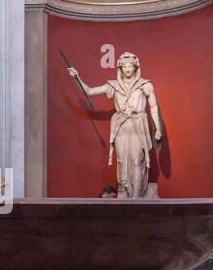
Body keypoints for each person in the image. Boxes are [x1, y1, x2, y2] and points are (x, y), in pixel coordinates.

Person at [68, 52, 163, 199]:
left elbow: (154, 107)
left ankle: (137, 196)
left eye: (130, 66)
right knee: (121, 161)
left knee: (137, 160)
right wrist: (76, 77)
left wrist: (157, 128)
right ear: (120, 68)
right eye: (124, 66)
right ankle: (123, 194)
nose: (127, 69)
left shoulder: (145, 85)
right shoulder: (113, 85)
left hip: (138, 124)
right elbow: (89, 91)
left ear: (135, 67)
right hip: (121, 126)